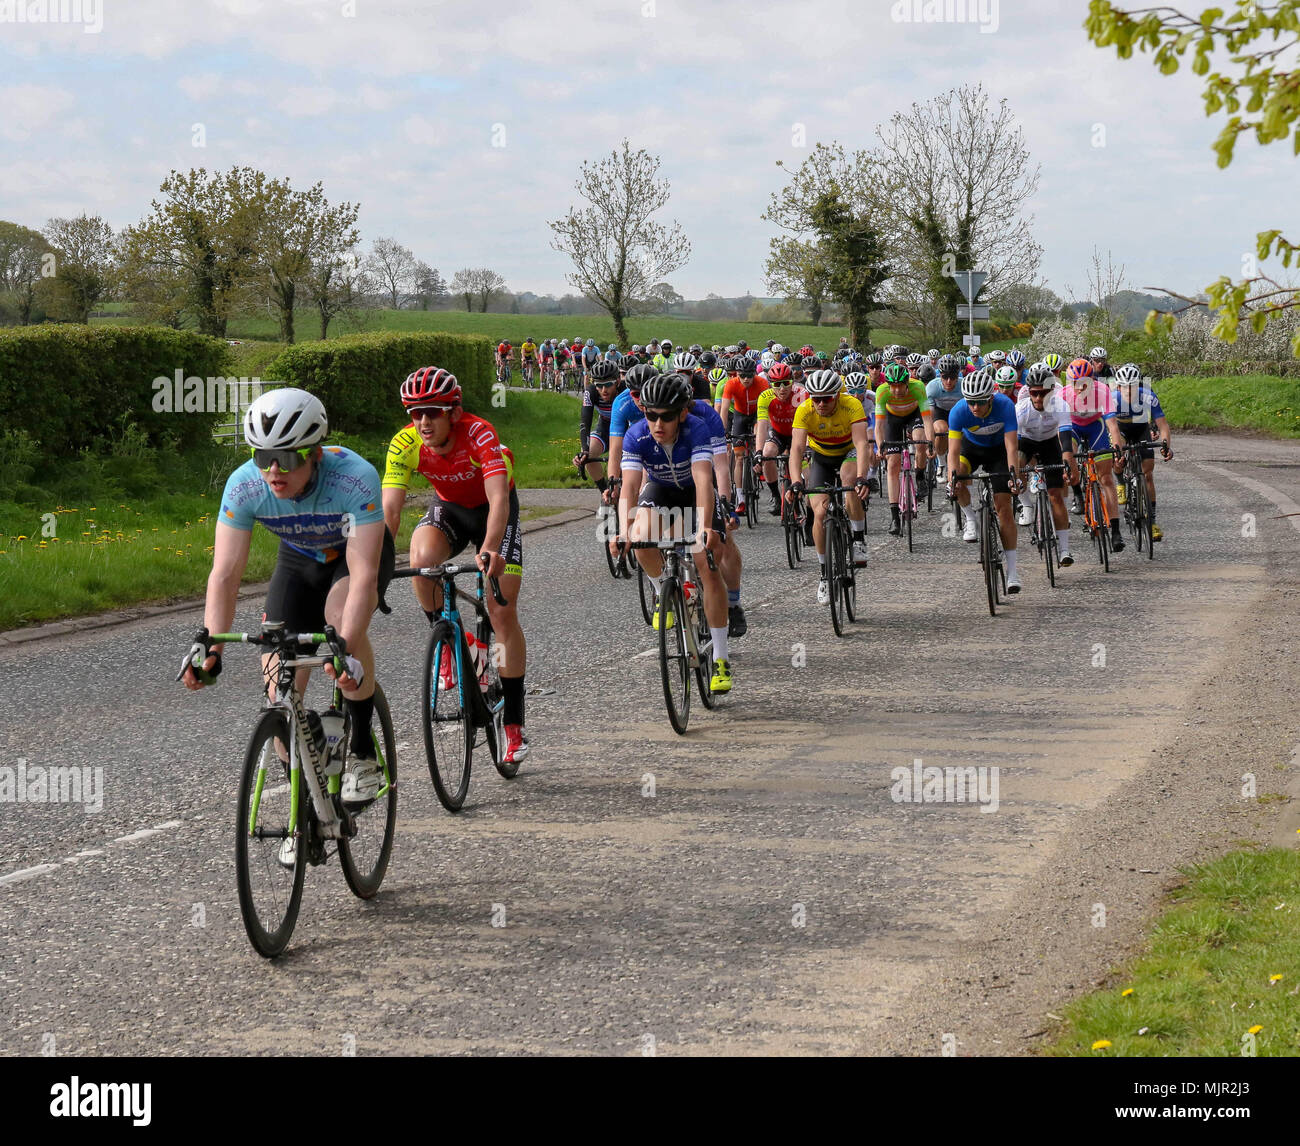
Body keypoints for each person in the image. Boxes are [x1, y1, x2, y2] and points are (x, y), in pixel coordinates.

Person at [182, 388, 394, 816]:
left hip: (352, 557)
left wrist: (344, 648)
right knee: (279, 691)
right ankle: (304, 817)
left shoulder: (354, 478)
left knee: (338, 621)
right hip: (298, 560)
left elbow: (363, 577)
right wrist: (210, 646)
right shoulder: (243, 486)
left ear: (315, 453)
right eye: (263, 458)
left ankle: (363, 752)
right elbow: (224, 574)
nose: (274, 470)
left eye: (289, 458)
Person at [381, 366, 531, 766]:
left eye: (432, 412)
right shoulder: (404, 443)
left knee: (501, 611)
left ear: (454, 410)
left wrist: (491, 548)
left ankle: (514, 724)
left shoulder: (480, 432)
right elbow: (391, 510)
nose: (423, 422)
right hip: (450, 509)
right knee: (422, 559)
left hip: (493, 513)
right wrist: (375, 563)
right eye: (415, 413)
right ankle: (447, 638)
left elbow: (498, 499)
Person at [613, 373, 734, 693]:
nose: (657, 423)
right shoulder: (636, 436)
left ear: (682, 412)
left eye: (666, 416)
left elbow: (703, 480)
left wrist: (706, 527)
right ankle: (663, 592)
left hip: (696, 494)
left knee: (707, 565)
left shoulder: (697, 429)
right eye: (650, 414)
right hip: (663, 491)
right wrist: (623, 530)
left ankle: (721, 657)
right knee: (640, 538)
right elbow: (629, 486)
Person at [786, 369, 873, 603]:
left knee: (848, 480)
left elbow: (862, 443)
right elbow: (796, 450)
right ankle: (824, 574)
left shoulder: (851, 405)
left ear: (837, 395)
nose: (821, 403)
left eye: (826, 398)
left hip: (848, 452)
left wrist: (862, 476)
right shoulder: (804, 410)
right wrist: (796, 481)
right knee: (820, 512)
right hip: (822, 457)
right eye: (816, 398)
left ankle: (858, 538)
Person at [946, 368, 1024, 592]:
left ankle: (1012, 571)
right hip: (971, 450)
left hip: (999, 452)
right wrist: (953, 479)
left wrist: (1014, 476)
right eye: (971, 402)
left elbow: (1012, 447)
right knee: (958, 473)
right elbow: (952, 452)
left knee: (1004, 508)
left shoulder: (1005, 406)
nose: (975, 408)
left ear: (991, 397)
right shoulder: (959, 411)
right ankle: (970, 517)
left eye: (980, 402)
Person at [1014, 363, 1076, 565]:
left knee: (1056, 495)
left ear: (1052, 391)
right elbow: (1011, 443)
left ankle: (1064, 549)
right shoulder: (1021, 409)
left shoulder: (1060, 406)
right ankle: (1027, 505)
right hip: (1026, 441)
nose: (1039, 398)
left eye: (1043, 393)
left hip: (1051, 443)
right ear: (1029, 392)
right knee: (1017, 465)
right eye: (1034, 393)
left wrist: (1069, 465)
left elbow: (1066, 441)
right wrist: (1014, 472)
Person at [1061, 357, 1126, 552]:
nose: (1080, 389)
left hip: (1095, 428)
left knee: (1106, 478)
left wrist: (1118, 451)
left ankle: (1115, 531)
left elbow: (1112, 425)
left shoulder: (1102, 391)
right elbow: (1060, 432)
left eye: (1085, 384)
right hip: (1072, 427)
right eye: (1075, 384)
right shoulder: (1063, 395)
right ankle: (1079, 494)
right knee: (1069, 458)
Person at [1112, 363, 1173, 541]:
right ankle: (1120, 482)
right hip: (1120, 429)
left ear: (1138, 385)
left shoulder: (1148, 396)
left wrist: (1166, 446)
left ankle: (1152, 521)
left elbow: (1163, 426)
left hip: (1140, 429)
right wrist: (1117, 452)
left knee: (1147, 475)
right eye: (1125, 387)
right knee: (1117, 458)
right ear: (1119, 386)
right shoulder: (1112, 398)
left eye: (1132, 387)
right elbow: (1110, 428)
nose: (1128, 391)